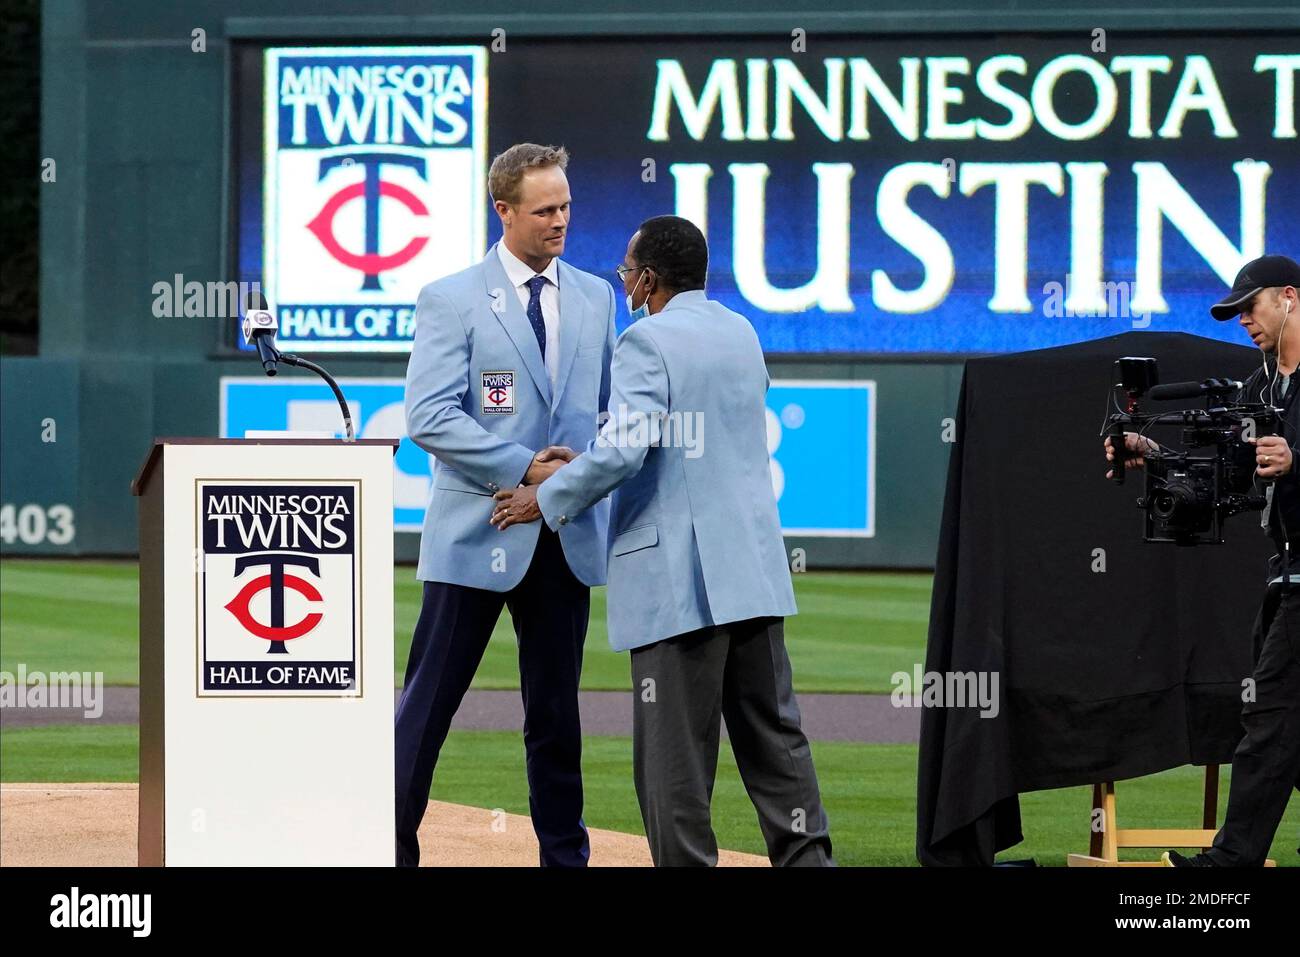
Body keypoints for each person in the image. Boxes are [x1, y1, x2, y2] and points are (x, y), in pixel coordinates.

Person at [490, 215, 833, 867]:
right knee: (777, 750)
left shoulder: (645, 340)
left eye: (627, 269)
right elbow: (677, 447)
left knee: (674, 768)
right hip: (754, 574)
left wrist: (546, 493)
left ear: (648, 279)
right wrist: (586, 457)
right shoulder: (741, 331)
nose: (623, 278)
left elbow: (627, 450)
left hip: (683, 584)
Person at [395, 143, 616, 867]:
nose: (560, 221)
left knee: (556, 716)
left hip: (562, 533)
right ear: (505, 211)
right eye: (545, 209)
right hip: (475, 530)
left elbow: (608, 416)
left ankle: (564, 859)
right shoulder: (450, 296)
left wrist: (557, 486)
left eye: (567, 206)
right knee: (428, 707)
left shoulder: (595, 296)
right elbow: (428, 415)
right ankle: (385, 847)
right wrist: (524, 466)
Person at [1106, 254, 1300, 867]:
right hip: (1288, 574)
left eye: (1251, 305)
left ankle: (1229, 866)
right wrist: (1150, 451)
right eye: (1235, 311)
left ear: (1289, 296)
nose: (1243, 319)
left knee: (1271, 717)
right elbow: (1228, 479)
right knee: (1283, 722)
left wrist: (1299, 461)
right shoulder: (1261, 385)